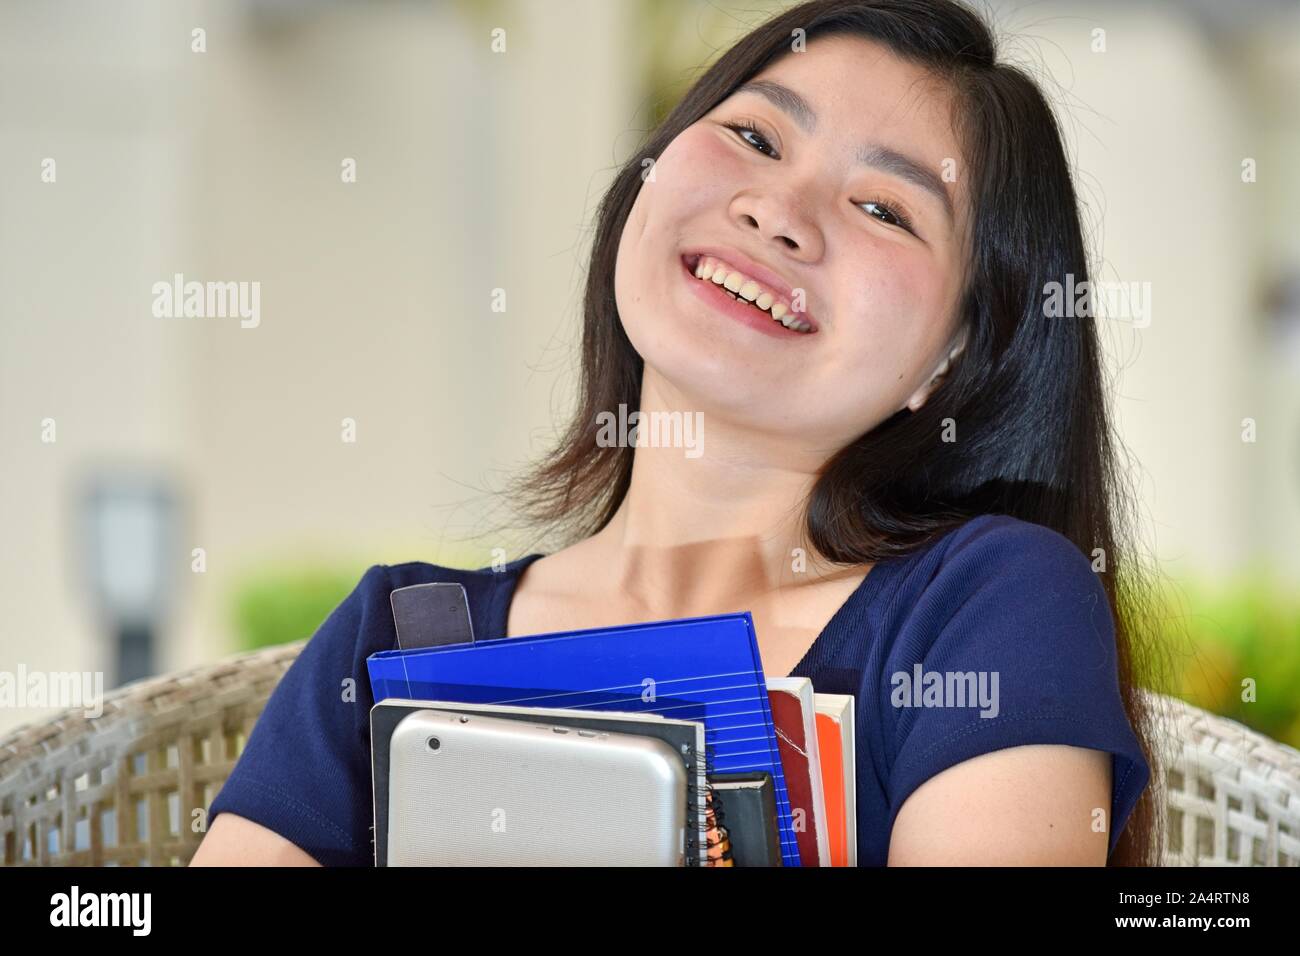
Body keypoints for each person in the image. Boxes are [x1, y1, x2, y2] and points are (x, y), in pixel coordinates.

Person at [192, 0, 1162, 867]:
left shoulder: (991, 607)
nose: (778, 211)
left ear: (952, 356)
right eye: (754, 135)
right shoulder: (393, 634)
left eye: (882, 207)